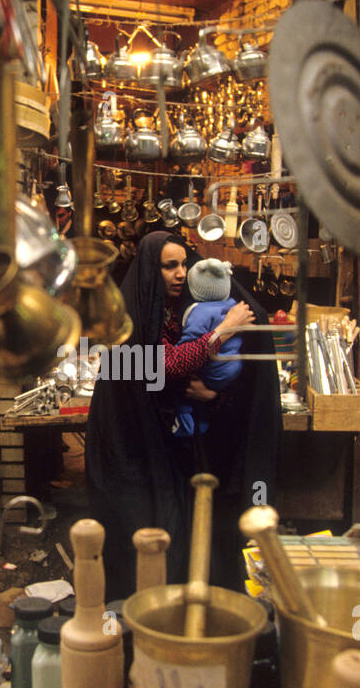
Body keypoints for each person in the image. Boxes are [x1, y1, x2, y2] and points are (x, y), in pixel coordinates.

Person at [85, 231, 281, 599]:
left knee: (187, 536)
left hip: (178, 448)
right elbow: (165, 365)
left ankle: (186, 607)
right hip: (133, 450)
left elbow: (206, 375)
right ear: (150, 270)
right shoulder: (130, 320)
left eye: (184, 264)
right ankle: (141, 616)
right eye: (169, 266)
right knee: (144, 536)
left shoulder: (187, 306)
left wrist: (213, 393)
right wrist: (223, 331)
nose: (180, 273)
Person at [172, 258, 242, 439]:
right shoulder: (234, 305)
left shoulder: (199, 312)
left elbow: (187, 348)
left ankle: (184, 428)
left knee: (184, 399)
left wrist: (177, 351)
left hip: (212, 372)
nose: (180, 274)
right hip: (233, 369)